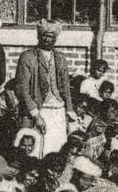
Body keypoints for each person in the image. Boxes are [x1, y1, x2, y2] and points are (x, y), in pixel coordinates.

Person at [14, 19, 75, 158]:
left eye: (51, 36)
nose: (47, 39)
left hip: (58, 110)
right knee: (38, 150)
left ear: (56, 38)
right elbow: (22, 89)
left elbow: (65, 87)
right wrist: (36, 115)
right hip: (38, 109)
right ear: (38, 36)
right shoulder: (28, 57)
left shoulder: (60, 58)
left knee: (57, 148)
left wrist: (70, 110)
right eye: (44, 35)